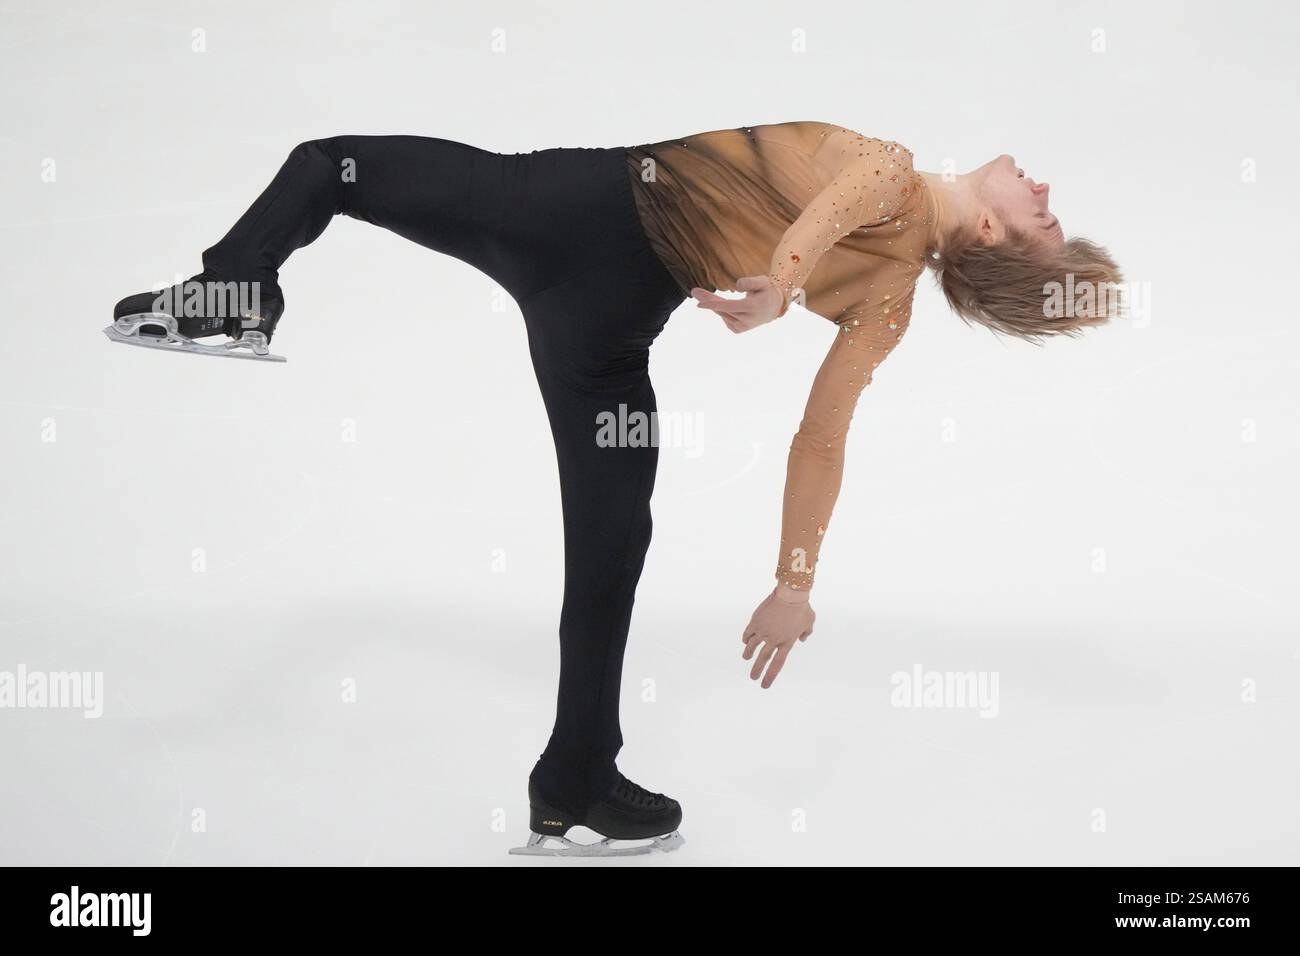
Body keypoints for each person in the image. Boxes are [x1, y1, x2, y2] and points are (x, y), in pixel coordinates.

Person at [106, 122, 1123, 856]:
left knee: (334, 165)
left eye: (1043, 220)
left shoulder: (897, 181)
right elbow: (821, 404)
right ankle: (577, 778)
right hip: (605, 305)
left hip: (570, 236)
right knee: (607, 547)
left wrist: (781, 280)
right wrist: (793, 579)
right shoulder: (888, 299)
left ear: (987, 238)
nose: (1042, 191)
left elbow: (843, 251)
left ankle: (576, 775)